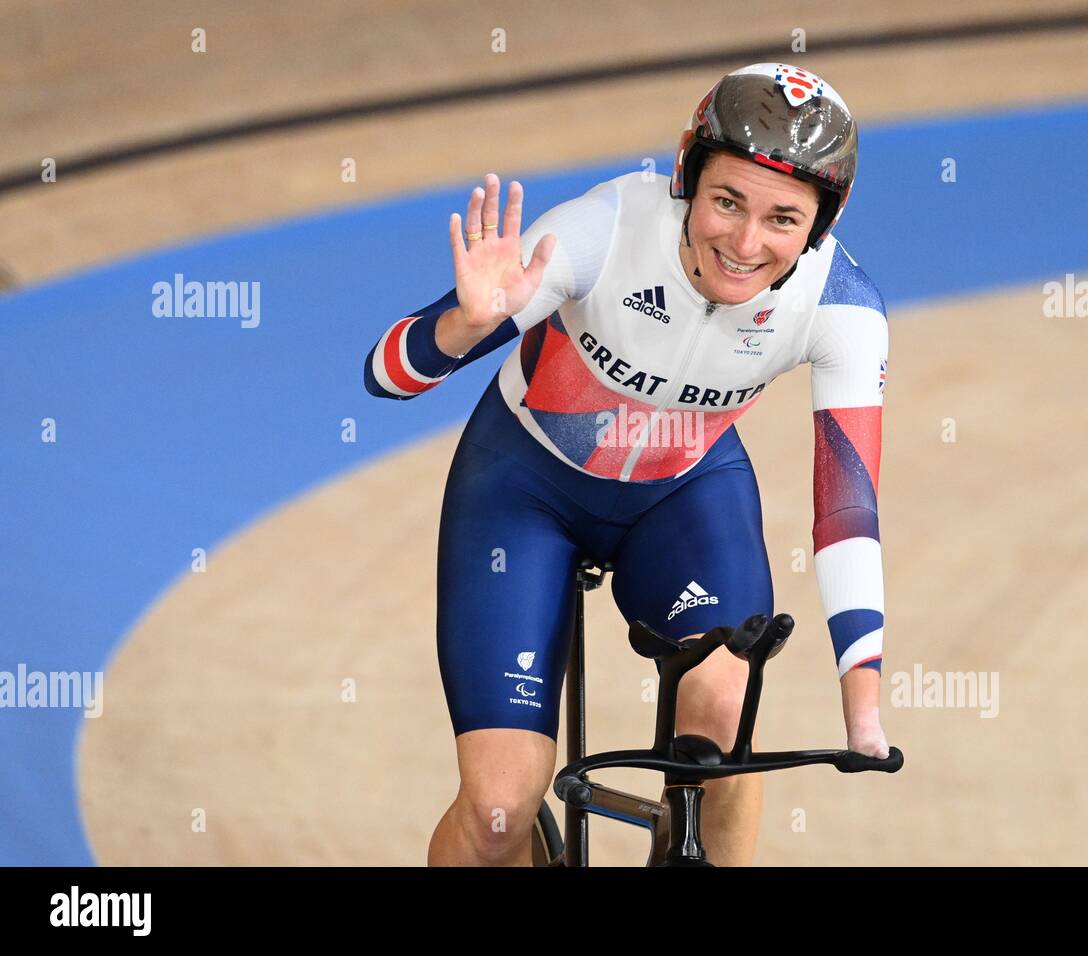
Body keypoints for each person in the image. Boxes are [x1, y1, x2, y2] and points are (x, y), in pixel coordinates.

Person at [364, 63, 890, 867]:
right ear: (687, 174)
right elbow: (386, 377)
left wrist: (864, 703)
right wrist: (462, 329)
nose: (745, 244)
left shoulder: (841, 306)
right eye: (726, 202)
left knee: (723, 728)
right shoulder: (604, 230)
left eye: (783, 218)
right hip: (525, 488)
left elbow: (848, 510)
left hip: (681, 493)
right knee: (500, 811)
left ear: (822, 223)